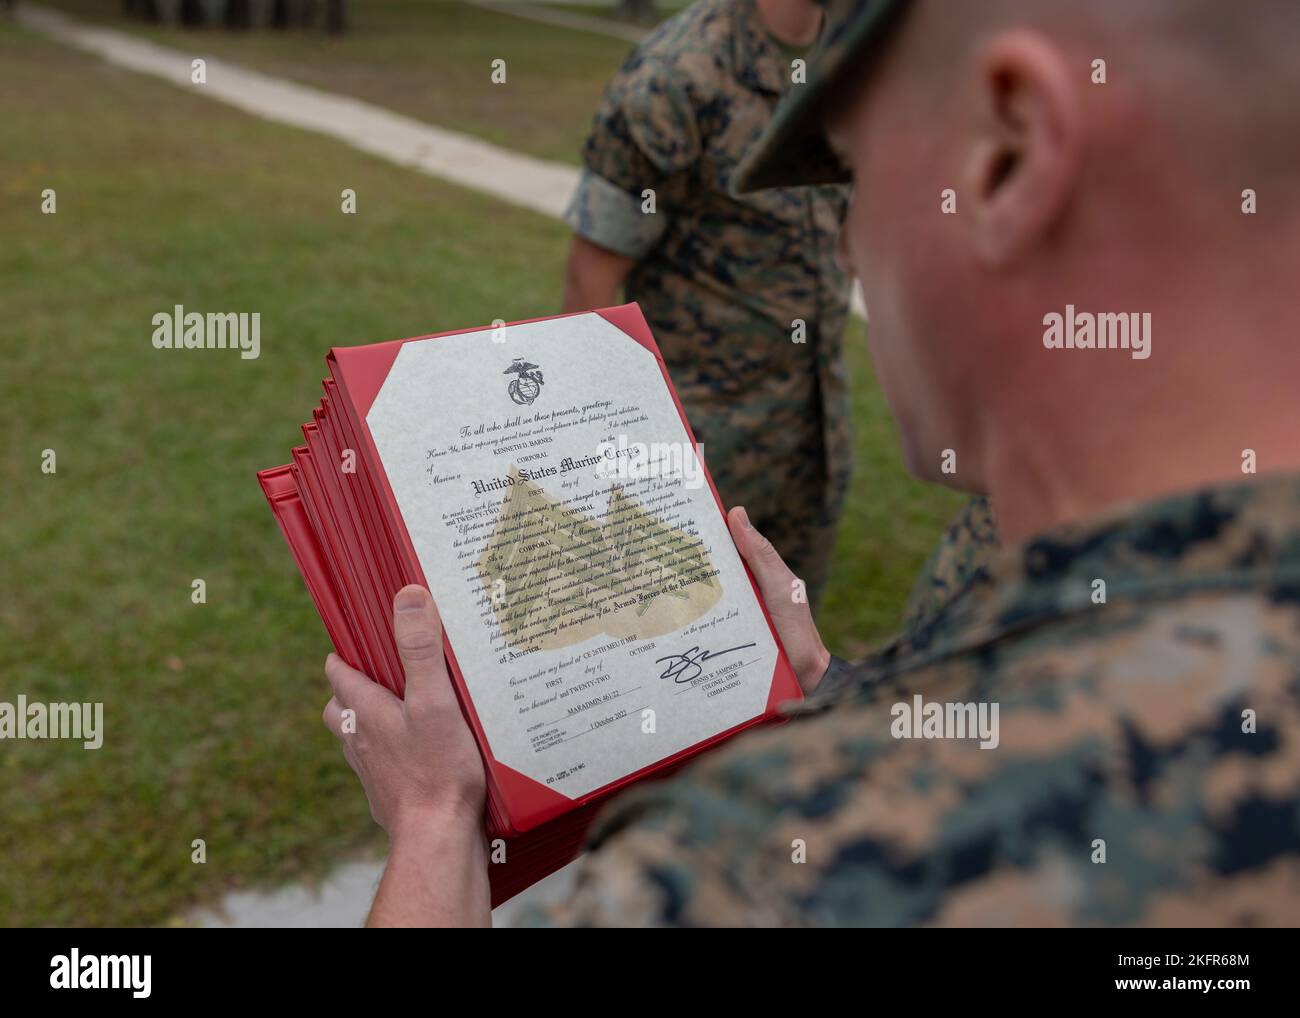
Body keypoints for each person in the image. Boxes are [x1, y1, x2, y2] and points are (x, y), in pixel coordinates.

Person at [323, 0, 1300, 925]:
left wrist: (435, 824)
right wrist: (831, 690)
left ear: (1010, 155)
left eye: (852, 176)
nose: (852, 251)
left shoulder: (759, 866)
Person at [562, 0, 853, 605]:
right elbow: (592, 277)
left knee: (796, 663)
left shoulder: (851, 52)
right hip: (696, 453)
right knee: (688, 662)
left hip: (812, 432)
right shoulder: (675, 75)